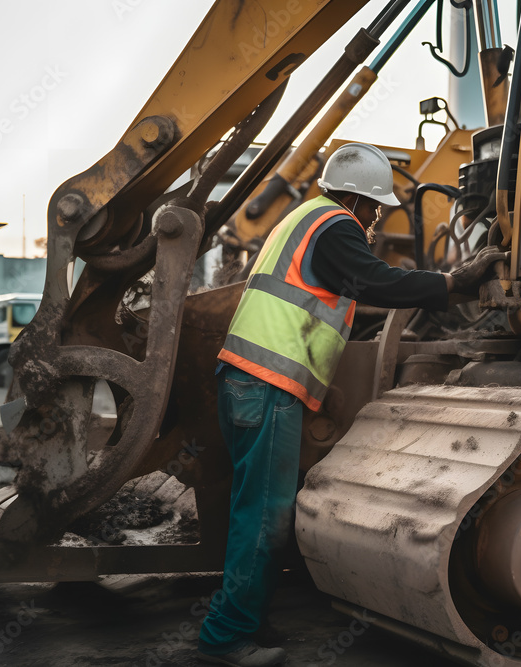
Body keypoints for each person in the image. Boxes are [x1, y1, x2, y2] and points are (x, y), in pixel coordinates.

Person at [196, 143, 505, 667]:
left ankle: (242, 617)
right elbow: (378, 281)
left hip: (249, 381)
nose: (375, 218)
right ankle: (224, 637)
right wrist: (456, 281)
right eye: (375, 207)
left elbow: (364, 287)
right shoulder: (333, 223)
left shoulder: (302, 220)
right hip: (267, 382)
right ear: (355, 199)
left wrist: (445, 288)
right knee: (266, 515)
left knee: (255, 507)